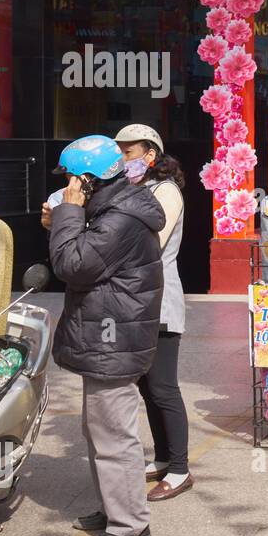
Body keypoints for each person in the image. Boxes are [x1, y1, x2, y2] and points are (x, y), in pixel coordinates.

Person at [47, 135, 164, 536]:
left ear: (87, 179)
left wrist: (68, 213)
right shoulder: (113, 207)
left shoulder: (118, 219)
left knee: (114, 435)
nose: (66, 186)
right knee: (98, 430)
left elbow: (72, 265)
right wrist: (65, 218)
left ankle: (130, 523)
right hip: (108, 335)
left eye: (70, 179)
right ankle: (113, 507)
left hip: (113, 339)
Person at [114, 124, 193, 502]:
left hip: (160, 299)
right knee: (147, 388)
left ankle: (179, 470)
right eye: (120, 152)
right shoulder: (132, 189)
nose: (122, 159)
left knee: (163, 387)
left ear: (151, 154)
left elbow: (149, 242)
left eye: (129, 152)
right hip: (136, 300)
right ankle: (162, 458)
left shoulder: (166, 191)